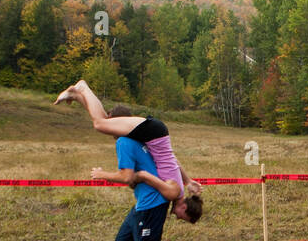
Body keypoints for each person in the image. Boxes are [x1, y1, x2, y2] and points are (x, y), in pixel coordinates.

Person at [55, 80, 203, 223]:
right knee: (100, 124)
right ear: (184, 207)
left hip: (157, 132)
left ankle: (78, 95)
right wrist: (128, 178)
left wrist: (188, 181)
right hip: (152, 133)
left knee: (105, 121)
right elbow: (144, 176)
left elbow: (173, 159)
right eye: (182, 217)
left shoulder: (179, 190)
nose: (177, 217)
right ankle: (82, 88)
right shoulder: (173, 193)